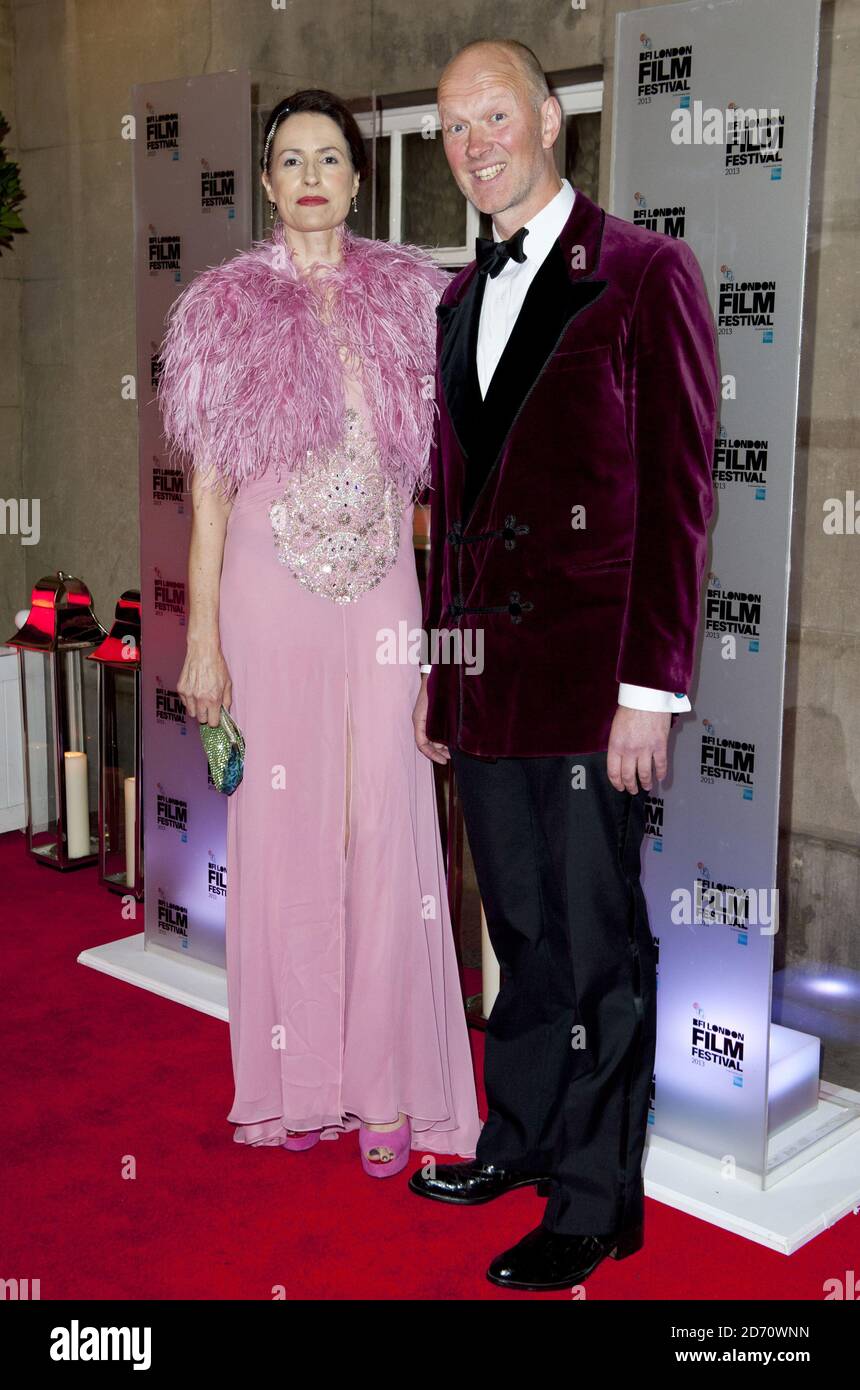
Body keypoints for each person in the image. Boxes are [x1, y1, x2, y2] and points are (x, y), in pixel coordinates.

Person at [409, 40, 719, 1288]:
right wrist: (439, 679)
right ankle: (519, 1137)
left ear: (548, 119)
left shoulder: (643, 273)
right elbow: (449, 508)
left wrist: (647, 689)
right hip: (485, 689)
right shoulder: (449, 299)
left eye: (494, 115)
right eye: (450, 127)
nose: (473, 143)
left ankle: (593, 1202)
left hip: (595, 694)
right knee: (522, 932)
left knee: (596, 948)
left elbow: (679, 496)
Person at [156, 89, 481, 1177]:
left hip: (383, 588)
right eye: (289, 158)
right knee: (286, 838)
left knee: (388, 829)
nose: (309, 175)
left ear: (356, 178)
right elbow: (205, 492)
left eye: (329, 157)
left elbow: (448, 486)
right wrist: (202, 641)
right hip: (264, 590)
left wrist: (438, 645)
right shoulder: (220, 310)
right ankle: (300, 1083)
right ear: (264, 181)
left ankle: (389, 1088)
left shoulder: (414, 302)